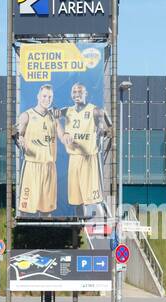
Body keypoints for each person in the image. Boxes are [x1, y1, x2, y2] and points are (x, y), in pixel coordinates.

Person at [60, 82, 106, 210]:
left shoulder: (94, 110)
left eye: (80, 92)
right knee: (76, 199)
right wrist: (63, 133)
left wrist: (102, 128)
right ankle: (80, 226)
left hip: (89, 157)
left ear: (86, 94)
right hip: (74, 158)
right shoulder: (66, 111)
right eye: (74, 92)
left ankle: (95, 223)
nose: (77, 94)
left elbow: (106, 122)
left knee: (92, 198)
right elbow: (51, 115)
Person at [16, 84, 58, 214]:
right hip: (32, 166)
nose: (47, 99)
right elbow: (16, 133)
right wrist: (19, 139)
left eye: (50, 97)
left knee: (47, 210)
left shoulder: (53, 117)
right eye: (44, 96)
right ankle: (23, 233)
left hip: (49, 166)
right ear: (38, 96)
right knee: (27, 209)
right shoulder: (27, 115)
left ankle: (48, 234)